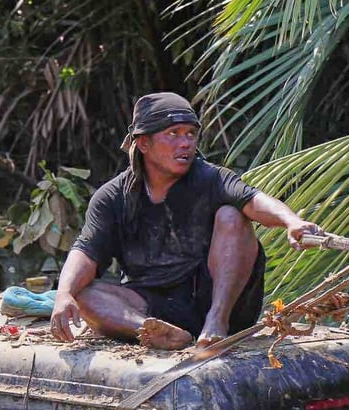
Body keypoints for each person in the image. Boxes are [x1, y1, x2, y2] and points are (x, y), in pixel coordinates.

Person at [49, 92, 324, 350]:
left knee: (231, 214)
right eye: (173, 134)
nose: (186, 143)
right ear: (143, 143)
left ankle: (216, 322)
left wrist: (291, 221)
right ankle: (156, 332)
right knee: (84, 294)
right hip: (153, 305)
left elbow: (253, 200)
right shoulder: (112, 196)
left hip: (215, 302)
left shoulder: (211, 178)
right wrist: (64, 294)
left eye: (191, 134)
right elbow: (86, 250)